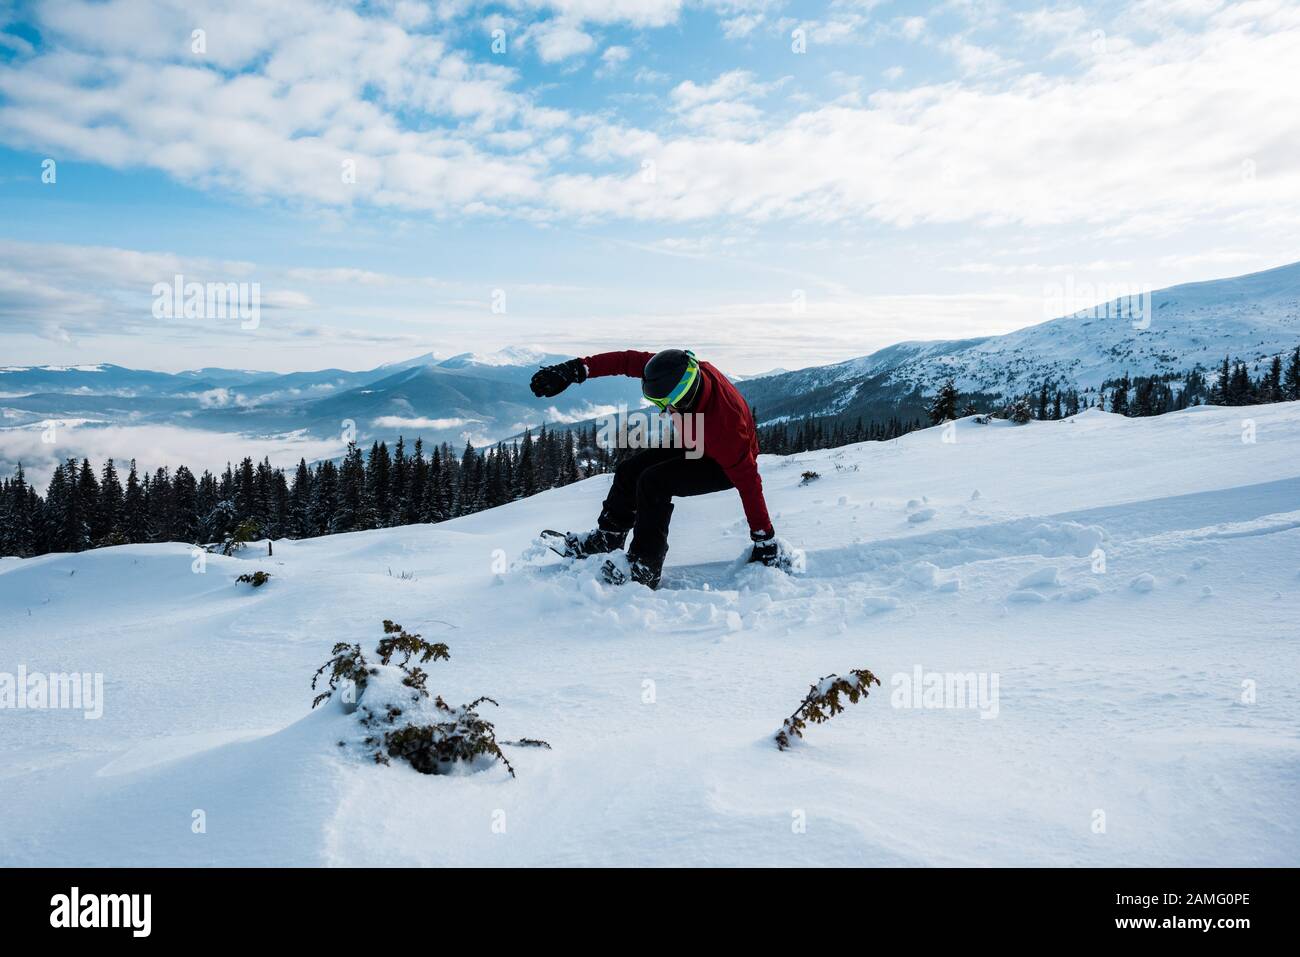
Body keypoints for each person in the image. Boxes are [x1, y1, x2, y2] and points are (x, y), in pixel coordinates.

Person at [530, 348, 779, 589]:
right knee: (630, 471)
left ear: (685, 395)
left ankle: (645, 566)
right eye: (657, 402)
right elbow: (625, 361)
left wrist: (764, 537)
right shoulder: (678, 368)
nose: (665, 411)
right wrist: (575, 369)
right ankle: (608, 538)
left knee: (654, 483)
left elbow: (749, 482)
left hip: (721, 465)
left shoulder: (725, 426)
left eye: (669, 403)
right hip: (697, 438)